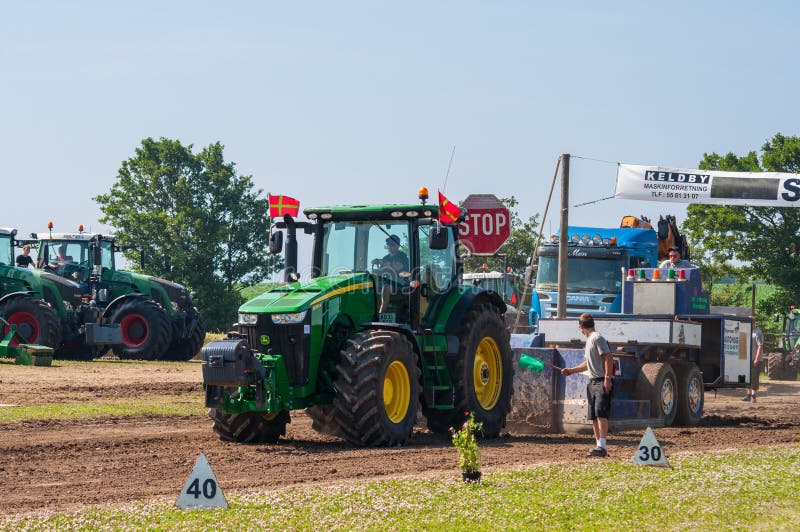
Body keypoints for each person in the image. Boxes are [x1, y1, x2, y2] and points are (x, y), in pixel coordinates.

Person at [561, 313, 614, 457]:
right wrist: (571, 371)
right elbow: (588, 364)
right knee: (594, 416)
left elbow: (608, 357)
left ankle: (603, 447)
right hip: (592, 381)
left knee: (601, 414)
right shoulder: (590, 340)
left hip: (601, 380)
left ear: (581, 326)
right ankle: (598, 446)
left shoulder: (597, 338)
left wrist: (607, 378)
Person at [744, 321, 764, 403]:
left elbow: (760, 346)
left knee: (754, 378)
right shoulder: (747, 331)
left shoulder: (758, 332)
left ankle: (753, 396)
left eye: (750, 322)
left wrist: (756, 359)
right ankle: (748, 395)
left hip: (755, 359)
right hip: (747, 359)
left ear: (753, 323)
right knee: (747, 377)